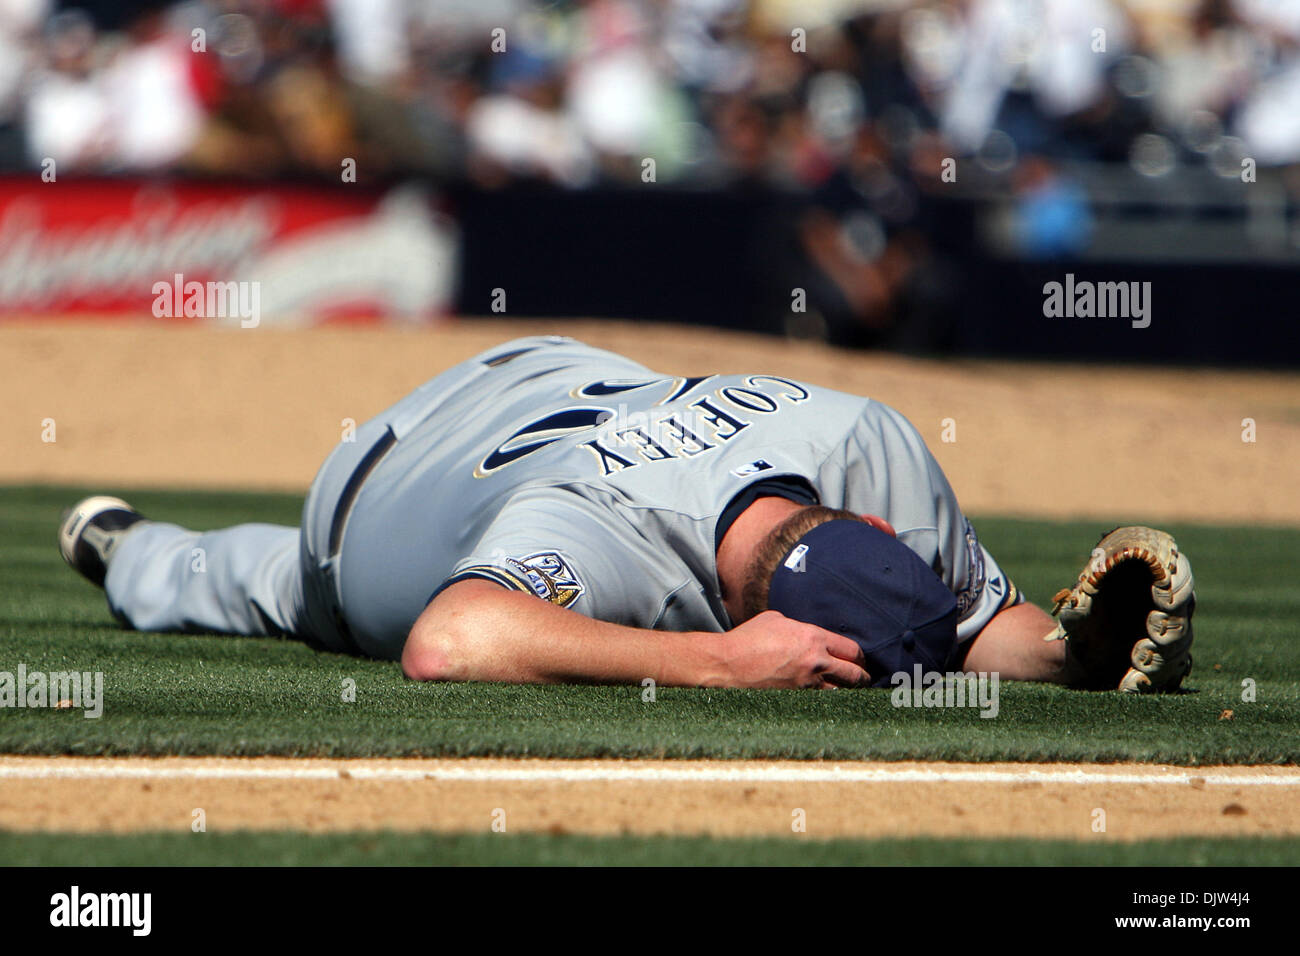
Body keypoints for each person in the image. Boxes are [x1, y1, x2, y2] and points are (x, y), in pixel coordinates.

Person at [58, 335, 1193, 692]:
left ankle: (120, 537)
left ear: (877, 526)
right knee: (276, 593)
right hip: (373, 482)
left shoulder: (864, 443)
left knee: (244, 578)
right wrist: (715, 660)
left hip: (551, 369)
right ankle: (135, 557)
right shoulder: (597, 539)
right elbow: (448, 641)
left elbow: (954, 625)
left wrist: (1075, 647)